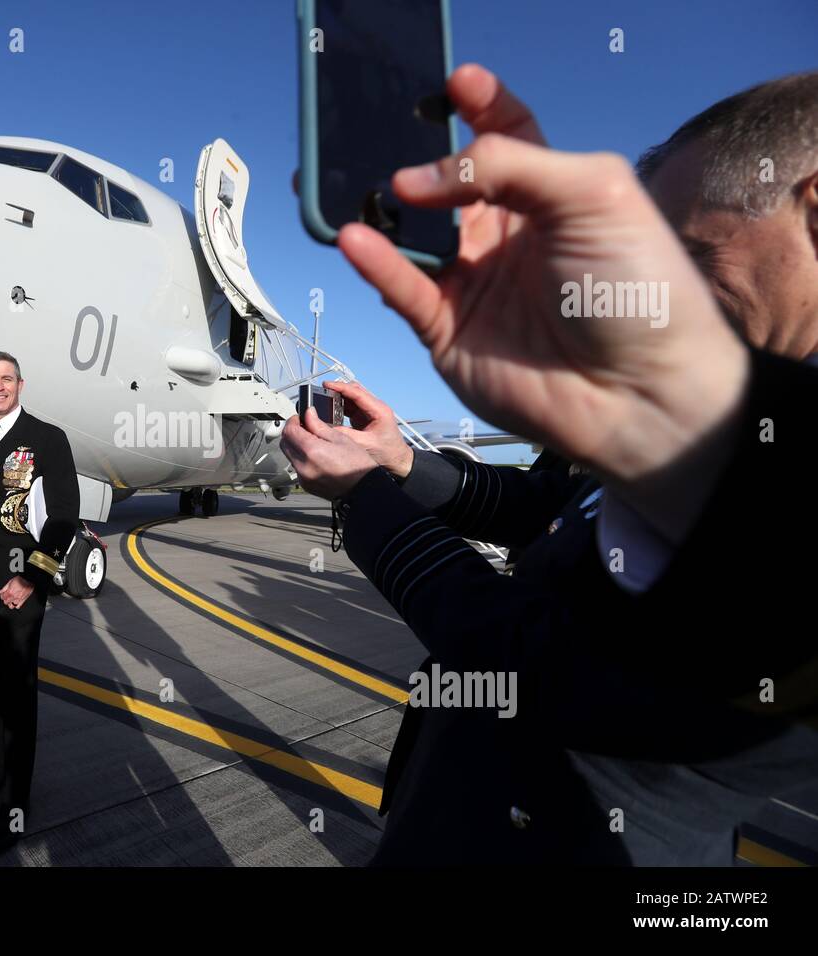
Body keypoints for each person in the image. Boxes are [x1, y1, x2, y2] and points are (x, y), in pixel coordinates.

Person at [281, 63, 817, 863]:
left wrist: (364, 499)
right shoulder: (710, 425)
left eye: (691, 261)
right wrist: (398, 460)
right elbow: (546, 506)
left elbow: (527, 656)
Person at [0, 351, 79, 856]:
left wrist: (33, 577)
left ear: (20, 384)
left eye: (6, 378)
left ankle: (15, 807)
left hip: (19, 585)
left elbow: (64, 518)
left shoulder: (47, 438)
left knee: (17, 694)